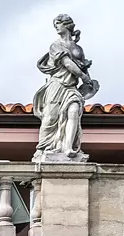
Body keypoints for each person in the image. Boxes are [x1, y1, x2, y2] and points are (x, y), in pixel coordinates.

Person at [33, 14, 98, 162]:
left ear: (67, 25)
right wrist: (84, 77)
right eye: (55, 24)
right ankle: (44, 148)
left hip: (71, 87)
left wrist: (89, 83)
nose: (56, 26)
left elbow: (82, 66)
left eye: (59, 23)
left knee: (74, 111)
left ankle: (68, 147)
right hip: (57, 85)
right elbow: (68, 64)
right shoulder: (55, 45)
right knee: (50, 118)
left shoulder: (78, 48)